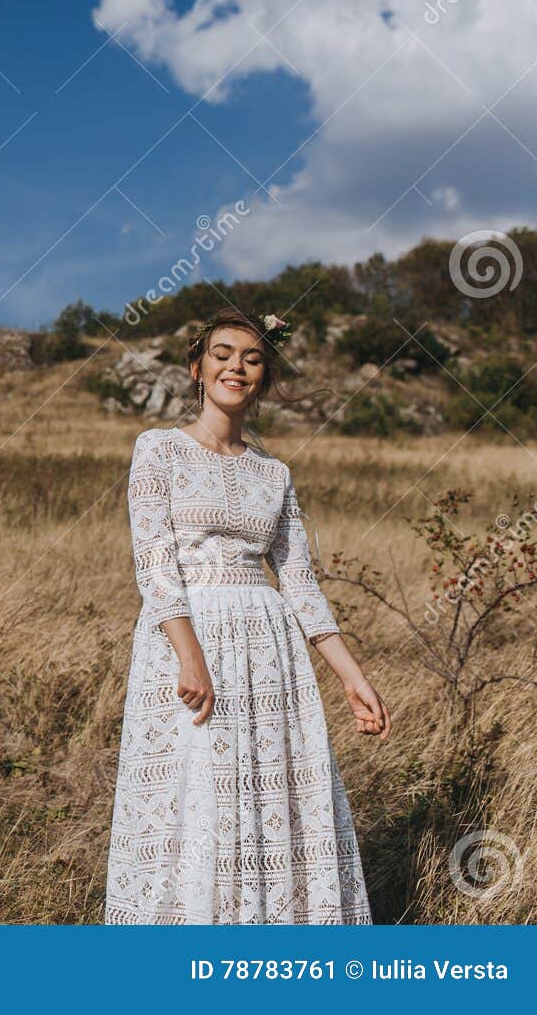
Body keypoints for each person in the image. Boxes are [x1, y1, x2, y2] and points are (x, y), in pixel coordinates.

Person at [104, 308, 390, 923]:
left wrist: (349, 674)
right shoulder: (158, 450)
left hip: (269, 649)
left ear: (262, 376)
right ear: (197, 368)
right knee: (198, 793)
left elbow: (298, 580)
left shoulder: (274, 473)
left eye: (252, 358)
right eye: (223, 354)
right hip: (187, 636)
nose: (237, 366)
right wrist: (190, 656)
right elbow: (154, 563)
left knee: (269, 799)